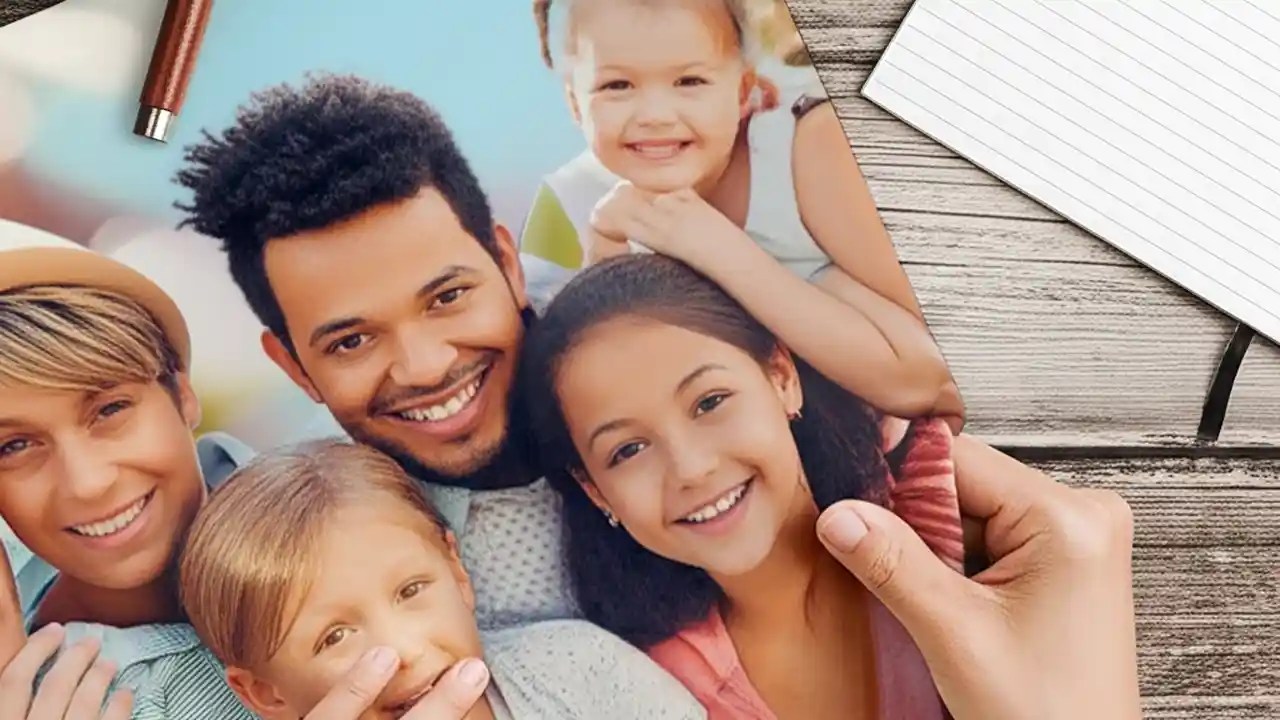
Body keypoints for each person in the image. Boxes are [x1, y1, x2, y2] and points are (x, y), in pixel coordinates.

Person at [521, 253, 963, 718]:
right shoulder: (645, 688)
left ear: (781, 377)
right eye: (628, 450)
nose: (691, 469)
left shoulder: (937, 500)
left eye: (710, 402)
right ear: (595, 491)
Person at [521, 0, 965, 436]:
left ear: (742, 90)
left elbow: (940, 381)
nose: (654, 116)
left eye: (689, 81)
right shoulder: (630, 220)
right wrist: (607, 260)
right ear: (575, 105)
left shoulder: (812, 147)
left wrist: (718, 247)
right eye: (617, 86)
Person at [178, 439, 704, 720]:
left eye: (411, 591)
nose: (403, 649)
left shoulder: (576, 664)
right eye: (334, 637)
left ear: (456, 572)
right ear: (264, 693)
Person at [0, 220, 257, 719]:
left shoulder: (363, 537)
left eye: (110, 410)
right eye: (15, 446)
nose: (88, 483)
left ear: (183, 394)